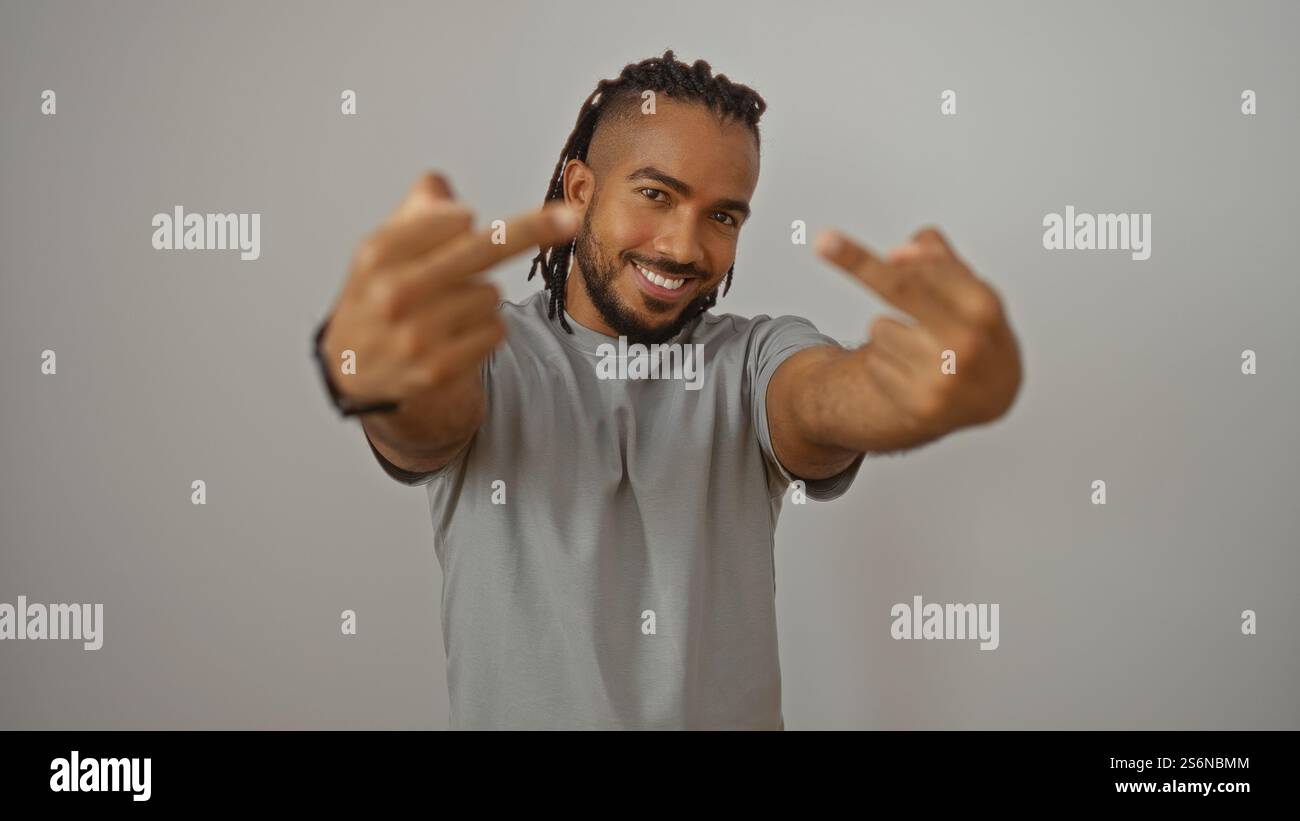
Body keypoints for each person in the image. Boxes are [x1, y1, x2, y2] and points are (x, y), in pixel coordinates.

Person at [313, 50, 1023, 729]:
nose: (684, 247)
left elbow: (819, 399)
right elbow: (427, 414)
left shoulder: (751, 358)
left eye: (723, 216)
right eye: (656, 194)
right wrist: (372, 375)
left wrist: (907, 393)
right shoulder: (486, 353)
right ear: (580, 190)